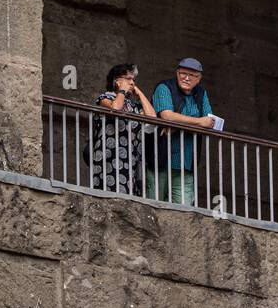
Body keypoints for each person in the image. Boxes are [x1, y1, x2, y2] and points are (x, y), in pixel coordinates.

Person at [146, 57, 216, 207]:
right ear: (177, 73)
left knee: (184, 210)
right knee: (154, 206)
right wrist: (197, 121)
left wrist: (176, 125)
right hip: (160, 158)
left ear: (199, 78)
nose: (186, 78)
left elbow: (210, 122)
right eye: (183, 73)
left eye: (192, 75)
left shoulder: (201, 93)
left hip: (186, 163)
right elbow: (167, 115)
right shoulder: (164, 87)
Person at [91, 63, 156, 194]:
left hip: (131, 159)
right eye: (128, 79)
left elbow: (152, 117)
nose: (132, 82)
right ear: (117, 81)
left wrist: (140, 94)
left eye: (133, 79)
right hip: (110, 156)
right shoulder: (105, 98)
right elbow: (116, 108)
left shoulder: (134, 106)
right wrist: (122, 90)